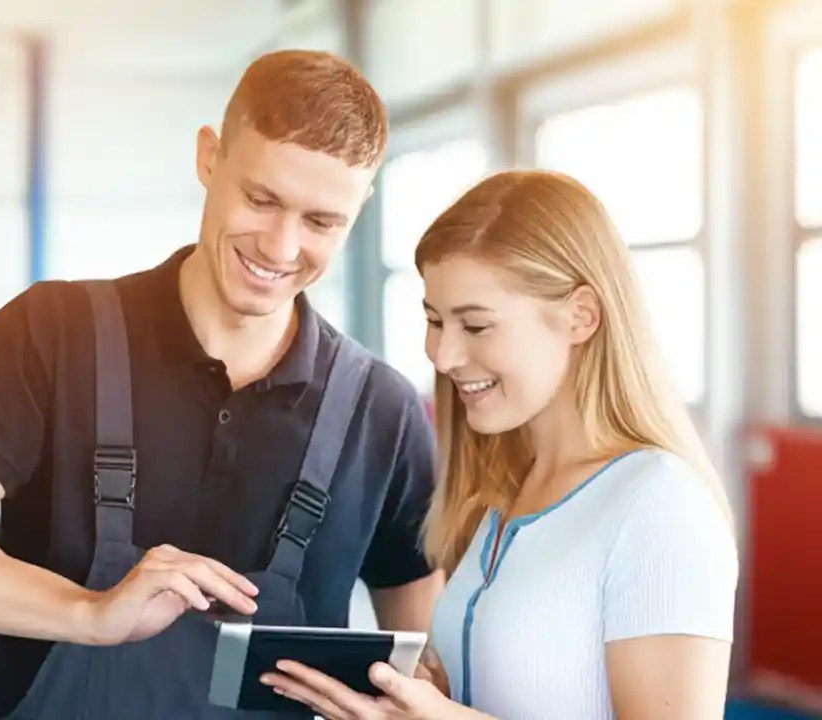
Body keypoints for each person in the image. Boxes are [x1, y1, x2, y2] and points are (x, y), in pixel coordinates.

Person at [0, 49, 443, 719]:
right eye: (261, 200)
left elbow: (428, 668)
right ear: (209, 158)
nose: (280, 248)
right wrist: (90, 612)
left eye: (321, 222)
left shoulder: (382, 413)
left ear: (360, 209)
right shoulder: (50, 336)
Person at [261, 169, 740, 719]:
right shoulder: (504, 491)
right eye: (435, 320)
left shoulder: (659, 504)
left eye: (476, 326)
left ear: (581, 316)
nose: (444, 356)